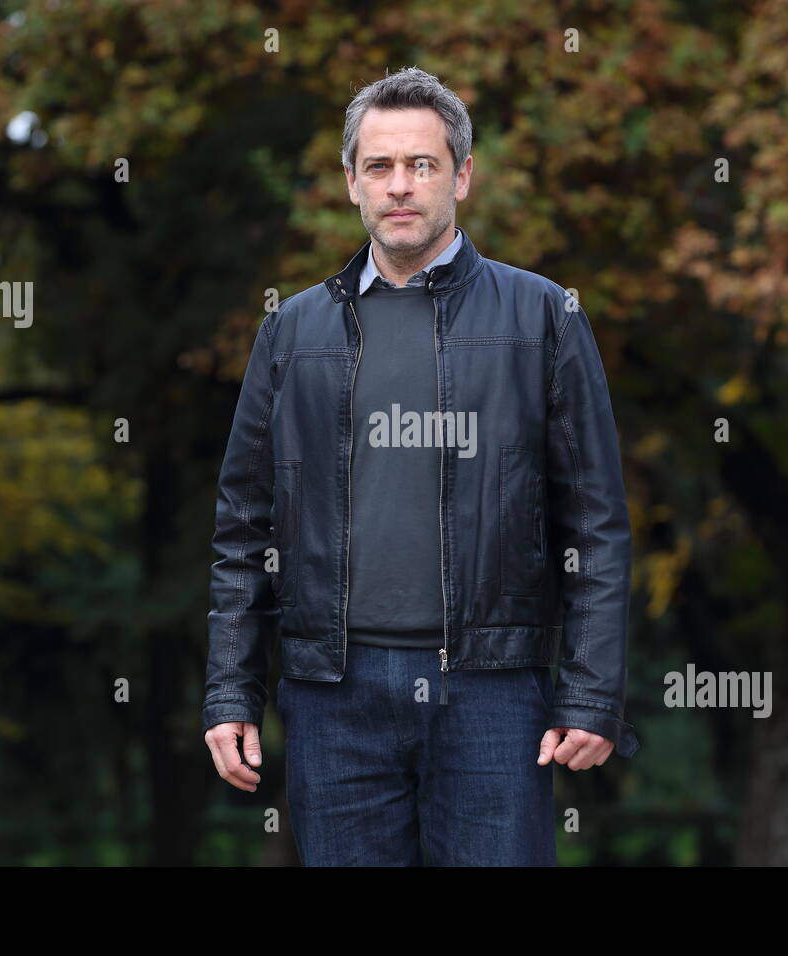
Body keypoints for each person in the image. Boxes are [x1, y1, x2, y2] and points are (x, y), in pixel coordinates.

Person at [202, 66, 639, 866]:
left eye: (422, 165)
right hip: (333, 699)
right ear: (351, 183)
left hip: (493, 693)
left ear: (462, 176)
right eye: (380, 167)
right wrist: (231, 691)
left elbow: (597, 527)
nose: (399, 186)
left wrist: (591, 691)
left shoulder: (543, 315)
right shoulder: (290, 333)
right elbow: (242, 530)